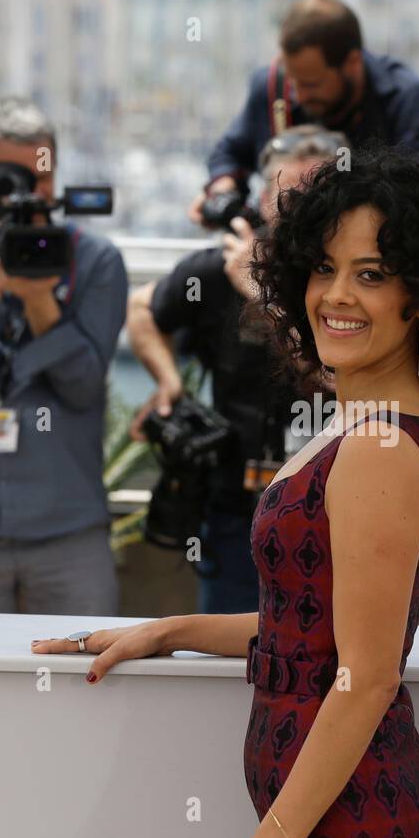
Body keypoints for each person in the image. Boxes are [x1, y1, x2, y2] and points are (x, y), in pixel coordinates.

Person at [34, 148, 419, 838]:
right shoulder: (372, 421)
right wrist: (169, 631)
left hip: (356, 828)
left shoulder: (379, 447)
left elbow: (365, 680)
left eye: (371, 275)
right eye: (324, 267)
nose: (336, 295)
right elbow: (307, 632)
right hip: (331, 818)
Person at [0, 97, 127, 616]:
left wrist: (38, 298)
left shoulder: (96, 262)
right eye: (15, 177)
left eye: (44, 174)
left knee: (81, 690)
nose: (34, 192)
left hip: (67, 526)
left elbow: (82, 386)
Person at [129, 125, 345, 614]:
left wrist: (261, 293)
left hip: (331, 506)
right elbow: (141, 311)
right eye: (288, 195)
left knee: (328, 652)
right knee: (223, 663)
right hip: (235, 506)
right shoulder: (214, 270)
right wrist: (169, 382)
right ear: (265, 197)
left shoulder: (356, 282)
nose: (300, 212)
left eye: (319, 196)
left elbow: (337, 376)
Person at [189, 0, 419, 225]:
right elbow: (229, 155)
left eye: (311, 84)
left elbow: (418, 198)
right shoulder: (273, 87)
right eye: (292, 80)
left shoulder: (404, 99)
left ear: (352, 63)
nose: (299, 95)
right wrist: (223, 192)